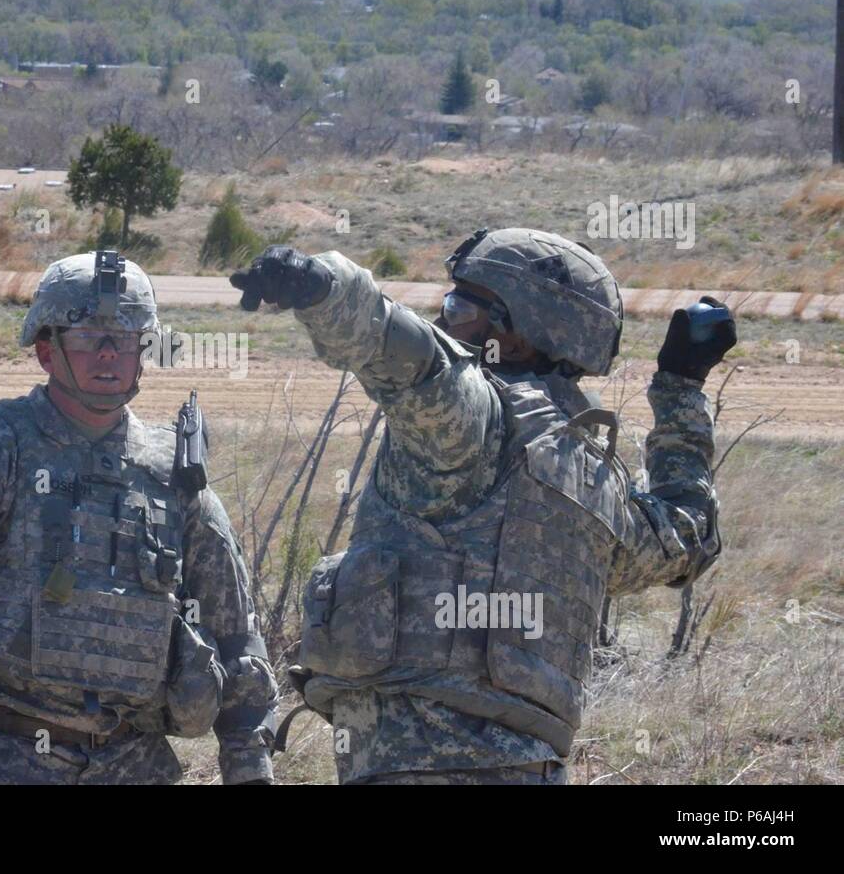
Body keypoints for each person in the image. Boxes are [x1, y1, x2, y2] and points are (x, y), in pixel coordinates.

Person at [230, 229, 735, 784]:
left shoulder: (475, 423)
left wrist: (321, 287)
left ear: (518, 337)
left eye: (461, 305)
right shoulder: (595, 477)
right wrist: (682, 386)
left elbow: (407, 357)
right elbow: (686, 537)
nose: (445, 319)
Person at [0, 251, 278, 785]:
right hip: (2, 756)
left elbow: (236, 637)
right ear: (47, 351)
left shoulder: (174, 476)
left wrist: (249, 768)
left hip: (137, 762)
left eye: (127, 339)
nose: (109, 354)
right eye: (89, 338)